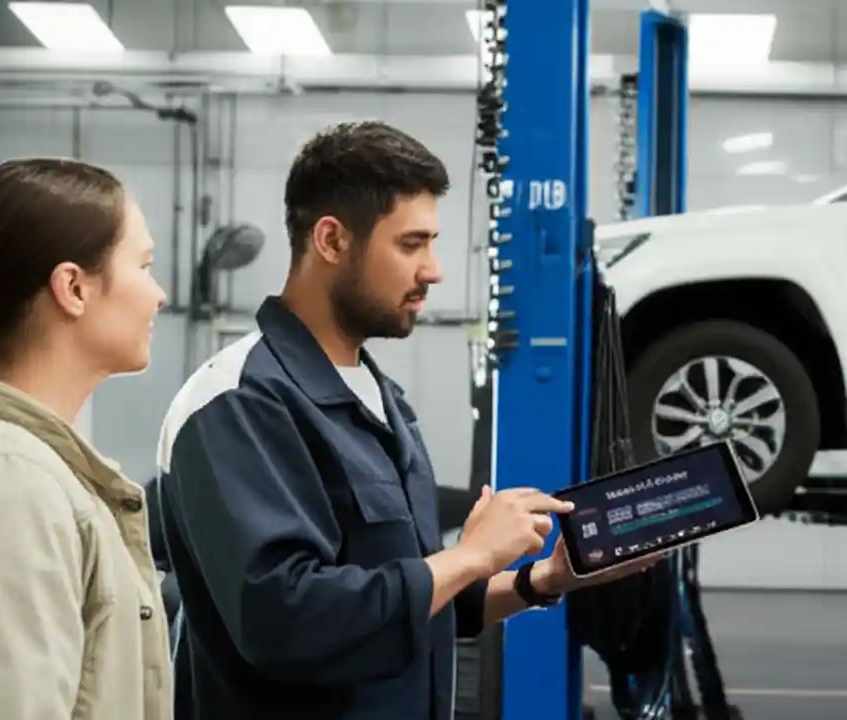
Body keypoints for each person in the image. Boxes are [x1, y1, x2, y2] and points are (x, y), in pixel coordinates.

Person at [155, 120, 649, 720]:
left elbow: (413, 605)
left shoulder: (381, 400)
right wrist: (468, 556)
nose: (433, 270)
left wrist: (540, 580)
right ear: (331, 240)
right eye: (411, 244)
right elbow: (286, 621)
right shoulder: (238, 402)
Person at [0, 158, 173, 719]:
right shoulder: (12, 481)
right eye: (143, 265)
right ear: (73, 287)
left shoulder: (42, 474)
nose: (159, 295)